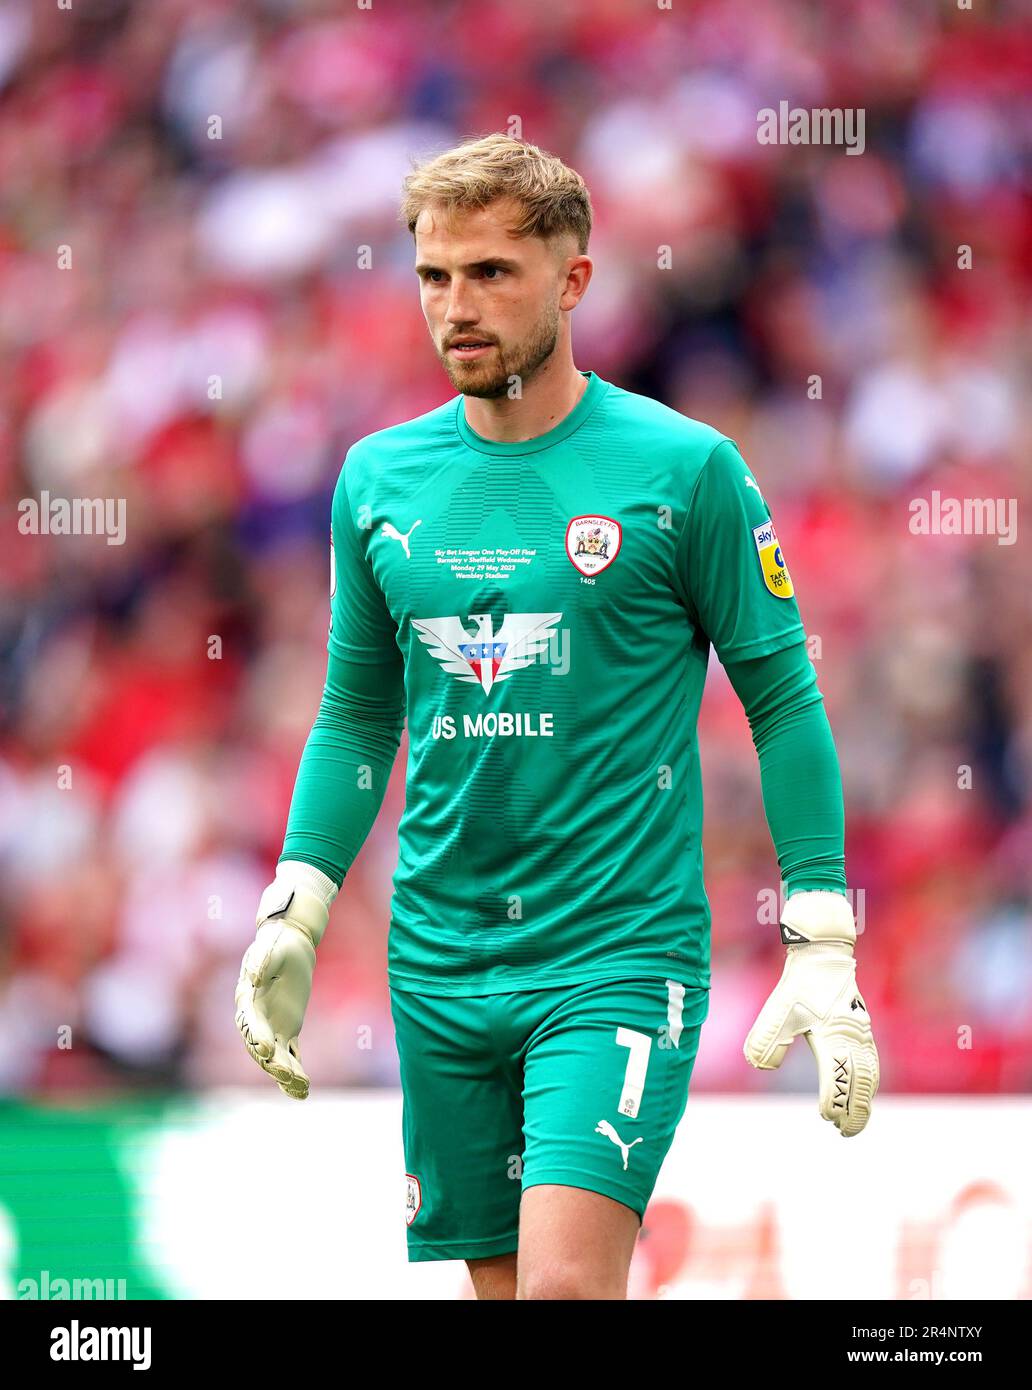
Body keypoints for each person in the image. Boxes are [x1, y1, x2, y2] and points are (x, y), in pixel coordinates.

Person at [234, 133, 879, 1300]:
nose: (456, 306)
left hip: (615, 954)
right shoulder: (377, 480)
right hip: (437, 958)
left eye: (491, 273)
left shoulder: (686, 471)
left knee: (567, 1292)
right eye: (435, 276)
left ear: (573, 280)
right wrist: (301, 896)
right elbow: (355, 712)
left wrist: (820, 925)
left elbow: (782, 697)